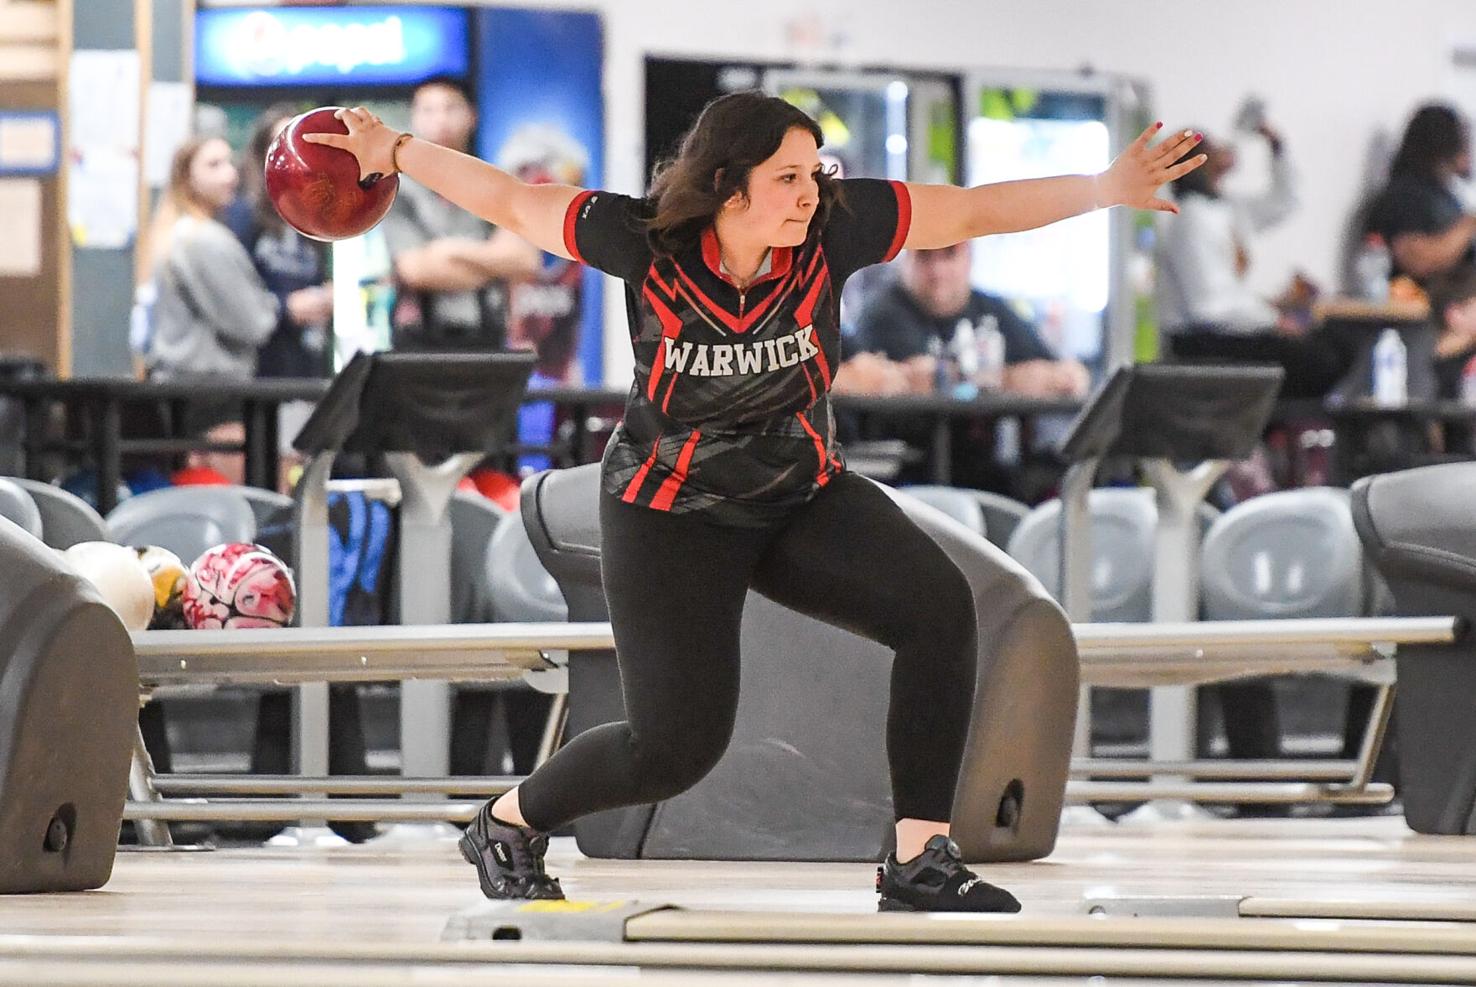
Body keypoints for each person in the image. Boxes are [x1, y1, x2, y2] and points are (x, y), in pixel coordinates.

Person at [310, 93, 1204, 912]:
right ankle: (507, 820)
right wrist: (396, 149)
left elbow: (971, 209)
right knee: (676, 748)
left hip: (798, 493)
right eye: (787, 176)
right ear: (729, 187)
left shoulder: (838, 230)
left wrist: (1104, 185)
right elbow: (508, 201)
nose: (810, 191)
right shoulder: (640, 238)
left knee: (939, 610)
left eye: (814, 172)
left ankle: (919, 857)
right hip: (669, 514)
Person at [380, 76, 541, 350]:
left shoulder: (498, 184)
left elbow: (524, 260)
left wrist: (449, 250)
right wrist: (491, 261)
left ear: (472, 116)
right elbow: (416, 271)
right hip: (418, 344)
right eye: (429, 110)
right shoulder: (396, 189)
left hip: (487, 339)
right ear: (414, 119)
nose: (441, 119)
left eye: (451, 108)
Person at [842, 242, 1089, 399]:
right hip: (909, 463)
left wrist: (1065, 377)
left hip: (990, 463)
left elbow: (1063, 373)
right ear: (906, 260)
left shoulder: (991, 308)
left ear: (969, 259)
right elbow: (920, 379)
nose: (937, 271)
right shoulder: (882, 313)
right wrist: (1010, 378)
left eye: (949, 255)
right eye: (925, 256)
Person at [137, 136, 279, 382]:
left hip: (181, 385)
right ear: (186, 178)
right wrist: (275, 306)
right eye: (214, 165)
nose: (229, 175)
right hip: (209, 390)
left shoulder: (176, 234)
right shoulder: (203, 240)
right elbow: (254, 323)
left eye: (229, 163)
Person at [222, 103, 334, 380]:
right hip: (260, 362)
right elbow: (232, 294)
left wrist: (332, 294)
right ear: (263, 153)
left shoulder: (318, 215)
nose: (293, 155)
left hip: (311, 358)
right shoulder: (242, 214)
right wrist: (286, 307)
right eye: (280, 143)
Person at [1156, 122, 1299, 335]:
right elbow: (1209, 306)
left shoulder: (1223, 209)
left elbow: (1284, 203)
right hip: (1200, 337)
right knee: (1321, 355)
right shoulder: (1192, 219)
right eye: (1211, 148)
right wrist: (1270, 318)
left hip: (1229, 325)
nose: (1222, 150)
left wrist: (1276, 146)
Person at [1364, 104, 1476, 285]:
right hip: (1426, 307)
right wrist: (1468, 225)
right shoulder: (1406, 195)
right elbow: (1419, 260)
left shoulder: (1446, 195)